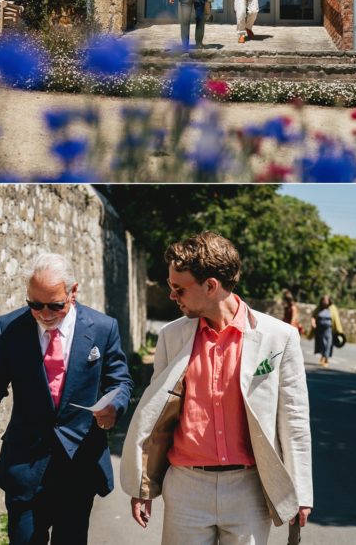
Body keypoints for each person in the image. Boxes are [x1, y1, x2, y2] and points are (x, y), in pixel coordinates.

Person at [121, 232, 312, 545]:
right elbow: (158, 417)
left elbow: (294, 418)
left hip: (249, 488)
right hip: (186, 487)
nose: (171, 295)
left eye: (179, 288)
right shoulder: (172, 336)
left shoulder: (279, 337)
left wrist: (300, 491)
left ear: (211, 286)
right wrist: (144, 488)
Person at [0, 252, 132, 544]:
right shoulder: (9, 328)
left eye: (54, 305)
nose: (44, 314)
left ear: (73, 292)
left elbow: (120, 381)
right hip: (25, 465)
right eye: (34, 305)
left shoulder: (102, 328)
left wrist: (115, 406)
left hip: (78, 464)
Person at [312, 295, 343, 367]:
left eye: (326, 300)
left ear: (329, 301)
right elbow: (313, 316)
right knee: (322, 344)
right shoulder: (319, 308)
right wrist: (313, 323)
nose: (325, 302)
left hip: (329, 330)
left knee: (328, 344)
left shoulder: (332, 308)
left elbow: (336, 320)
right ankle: (323, 357)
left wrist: (339, 331)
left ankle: (326, 359)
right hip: (320, 330)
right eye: (323, 300)